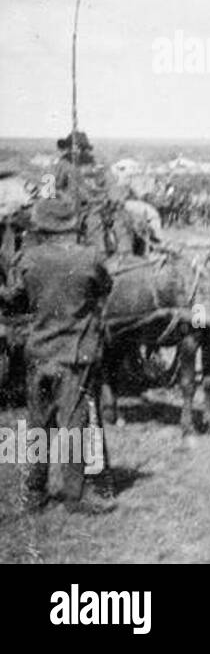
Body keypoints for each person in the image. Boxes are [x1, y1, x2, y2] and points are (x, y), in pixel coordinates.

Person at [0, 197, 115, 514]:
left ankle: (35, 493)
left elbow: (13, 298)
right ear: (71, 225)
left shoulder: (28, 259)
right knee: (75, 424)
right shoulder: (90, 257)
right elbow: (106, 287)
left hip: (38, 352)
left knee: (38, 424)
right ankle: (74, 495)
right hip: (76, 355)